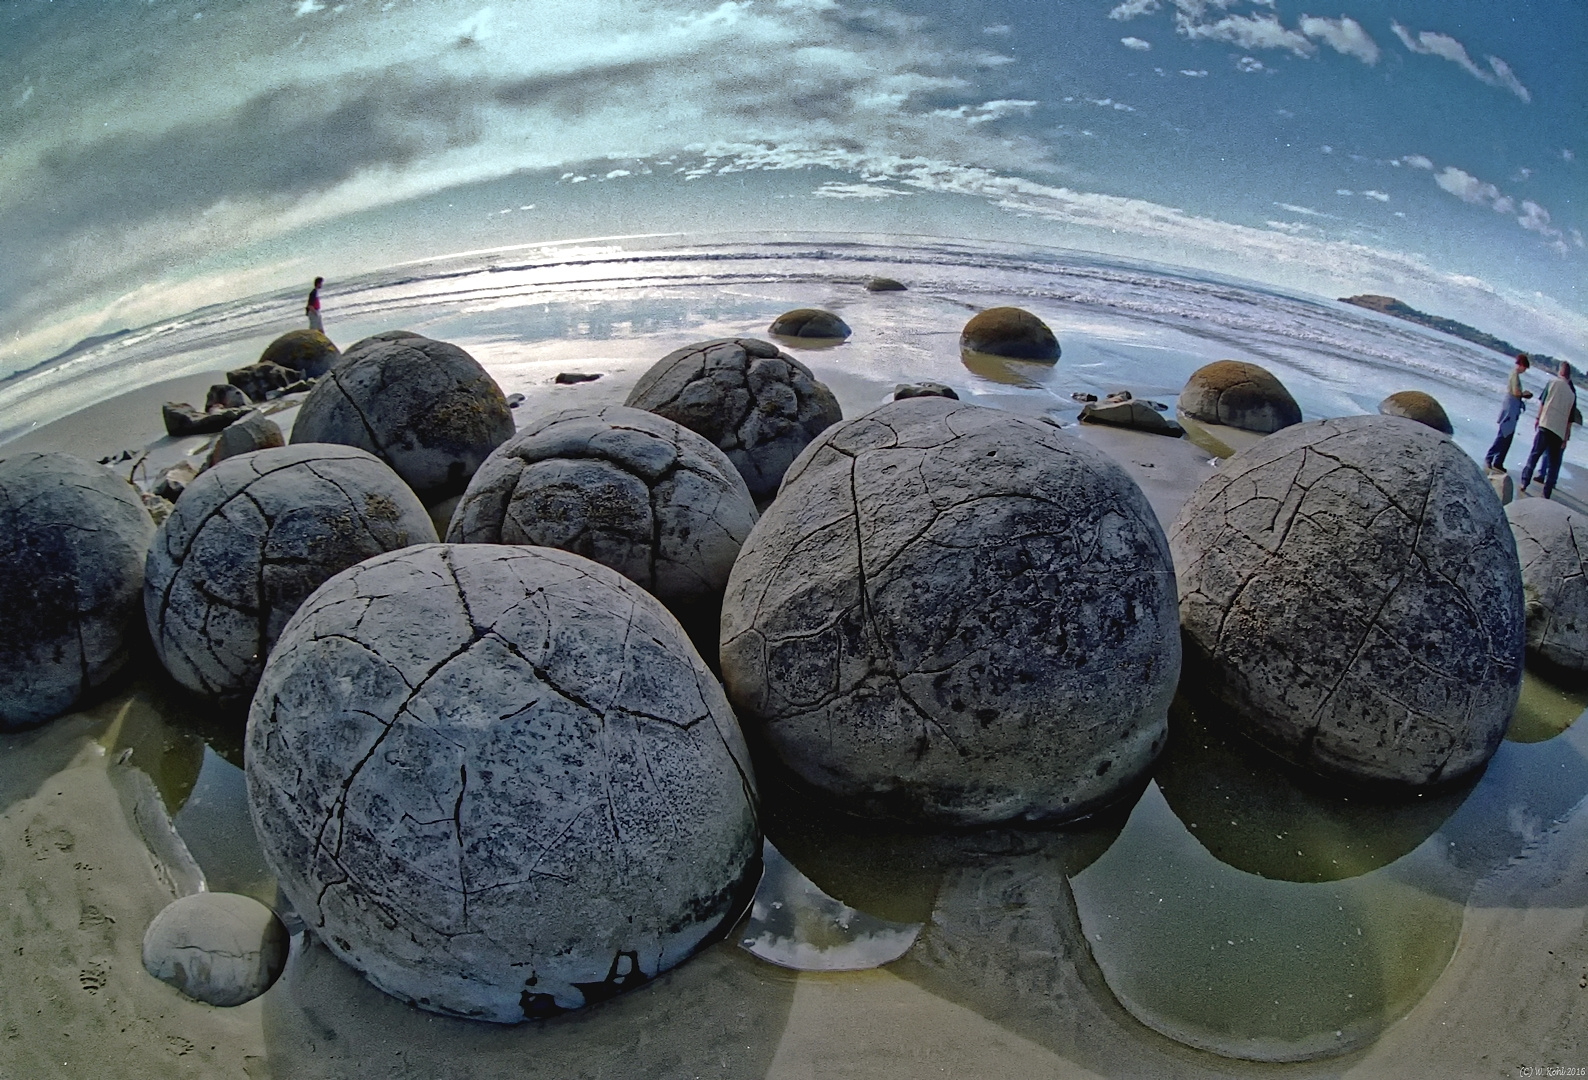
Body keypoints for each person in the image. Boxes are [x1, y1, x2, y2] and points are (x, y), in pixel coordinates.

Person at [1520, 360, 1576, 499]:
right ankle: (1546, 493)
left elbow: (1543, 403)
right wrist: (1566, 437)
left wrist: (1538, 419)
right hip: (1558, 431)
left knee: (1534, 455)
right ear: (1568, 375)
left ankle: (1524, 482)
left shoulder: (1552, 383)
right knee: (1553, 464)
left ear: (1560, 372)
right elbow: (1569, 419)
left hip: (1546, 424)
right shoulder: (1572, 394)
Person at [1484, 354, 1533, 471]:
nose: (1524, 370)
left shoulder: (1514, 375)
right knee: (1504, 434)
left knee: (1507, 436)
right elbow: (1516, 392)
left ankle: (1499, 461)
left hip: (1511, 408)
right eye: (1524, 368)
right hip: (1510, 408)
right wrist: (1524, 394)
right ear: (1521, 365)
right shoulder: (1514, 375)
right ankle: (1490, 457)